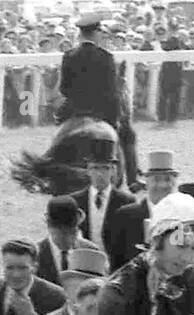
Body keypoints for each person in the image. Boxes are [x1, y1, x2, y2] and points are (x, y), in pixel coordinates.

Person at [57, 13, 136, 188]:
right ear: (96, 33)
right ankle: (133, 179)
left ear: (81, 34)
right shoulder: (105, 56)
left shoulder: (68, 55)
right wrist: (115, 120)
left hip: (74, 112)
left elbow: (64, 89)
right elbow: (111, 93)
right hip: (101, 113)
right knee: (128, 136)